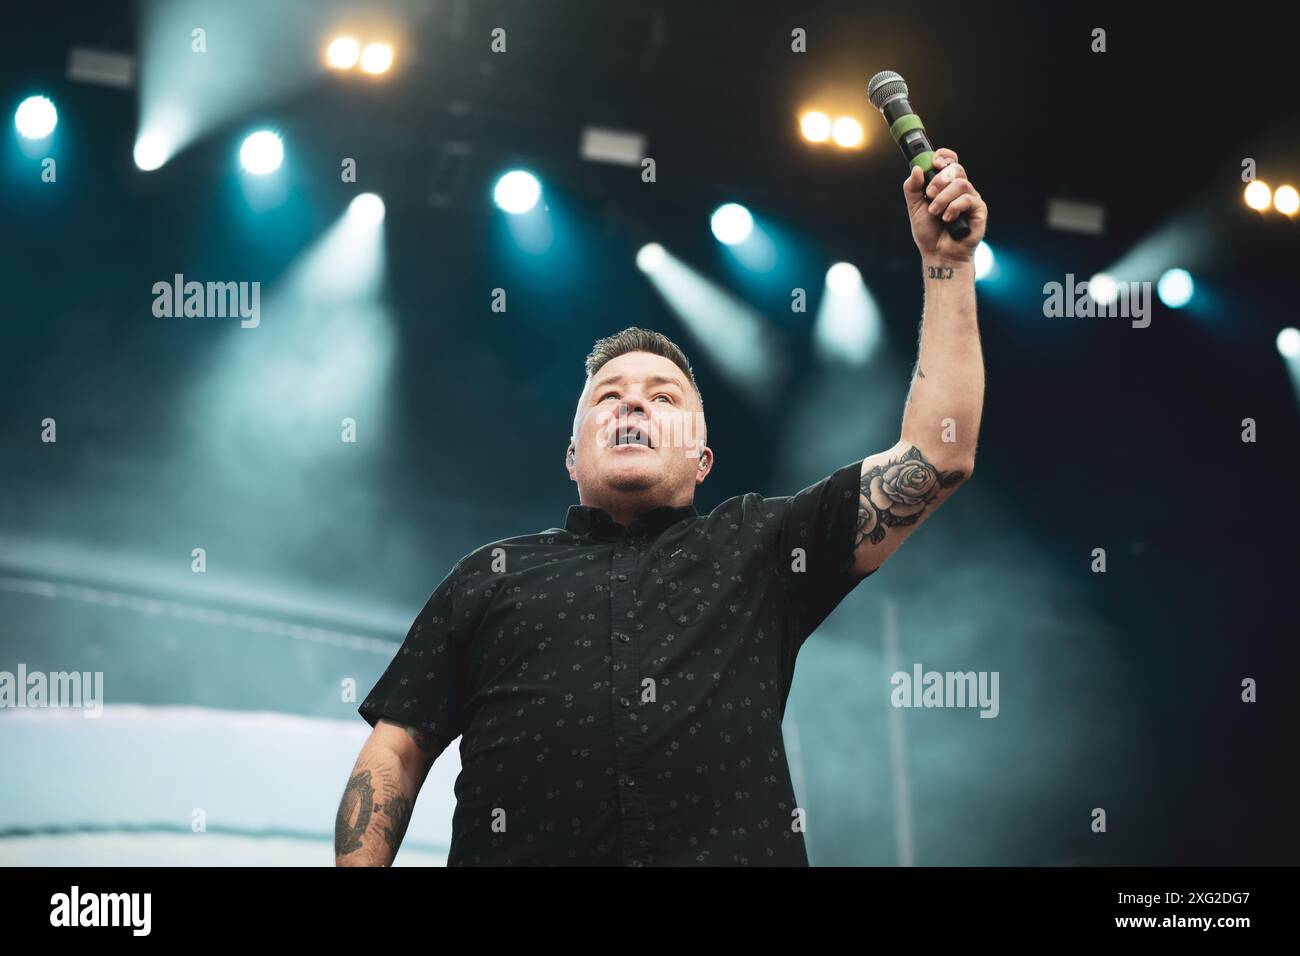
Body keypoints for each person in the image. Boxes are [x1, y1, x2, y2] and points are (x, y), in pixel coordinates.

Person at [335, 147, 986, 866]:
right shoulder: (487, 575)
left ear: (703, 458)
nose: (634, 401)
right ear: (572, 456)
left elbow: (937, 458)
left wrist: (948, 264)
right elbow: (397, 747)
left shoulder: (765, 545)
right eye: (608, 397)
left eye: (663, 397)